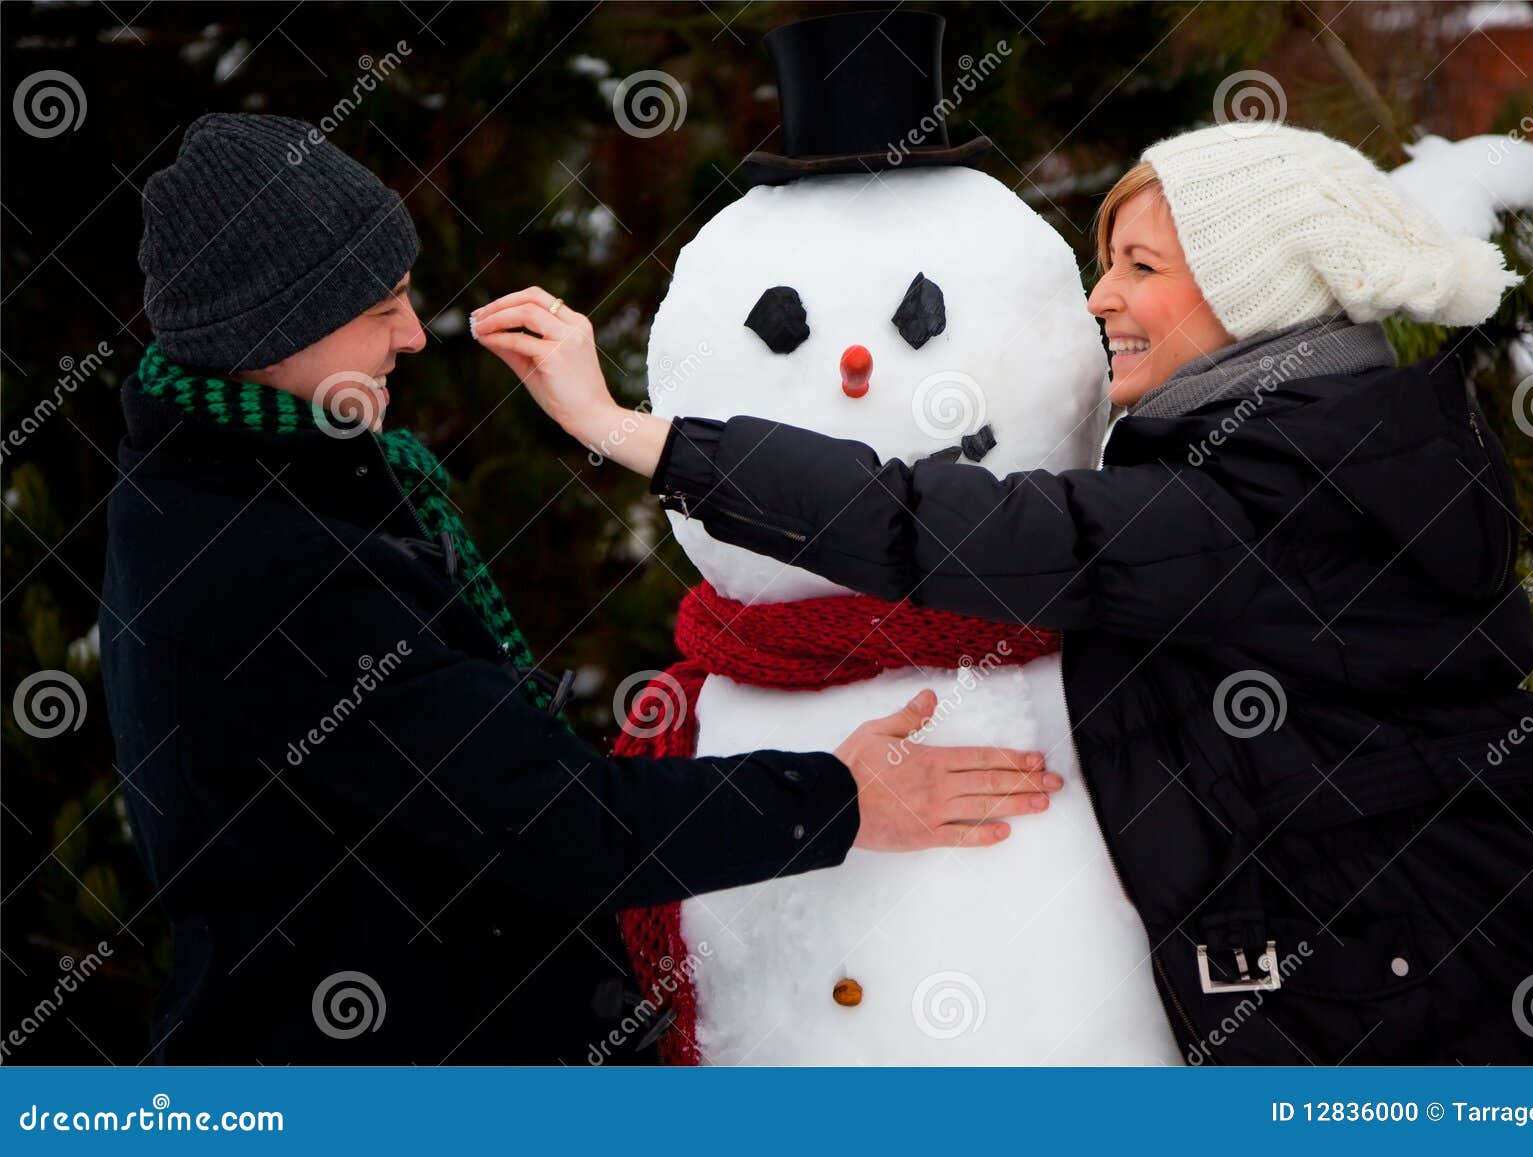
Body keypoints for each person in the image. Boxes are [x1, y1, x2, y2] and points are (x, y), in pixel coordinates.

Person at [475, 122, 1533, 1064]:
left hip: (1424, 1001)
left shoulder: (1286, 487)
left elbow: (977, 531)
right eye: (1104, 259)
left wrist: (642, 437)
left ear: (1257, 288)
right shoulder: (1305, 447)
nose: (1099, 293)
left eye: (1142, 268)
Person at [99, 113, 1061, 1065]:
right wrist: (842, 796)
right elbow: (556, 821)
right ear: (280, 323)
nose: (412, 336)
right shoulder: (277, 562)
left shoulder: (210, 485)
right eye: (377, 307)